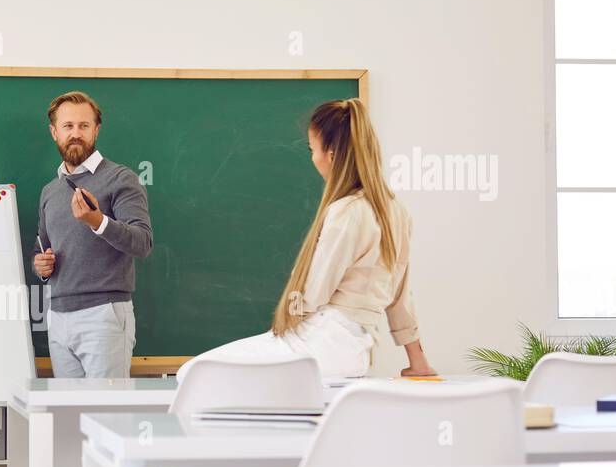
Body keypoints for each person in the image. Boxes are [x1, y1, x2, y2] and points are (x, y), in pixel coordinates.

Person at [179, 98, 435, 381]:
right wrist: (418, 361)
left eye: (313, 149)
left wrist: (288, 315)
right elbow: (399, 296)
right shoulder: (396, 210)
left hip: (322, 344)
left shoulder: (346, 211)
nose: (313, 159)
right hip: (354, 354)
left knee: (192, 373)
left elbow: (316, 293)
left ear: (333, 155)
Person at [33, 90, 152, 467]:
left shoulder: (121, 180)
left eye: (84, 125)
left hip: (105, 314)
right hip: (59, 316)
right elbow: (48, 248)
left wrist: (99, 220)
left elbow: (142, 242)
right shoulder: (48, 191)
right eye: (67, 126)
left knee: (108, 427)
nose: (75, 134)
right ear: (54, 132)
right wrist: (41, 265)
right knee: (75, 431)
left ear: (96, 129)